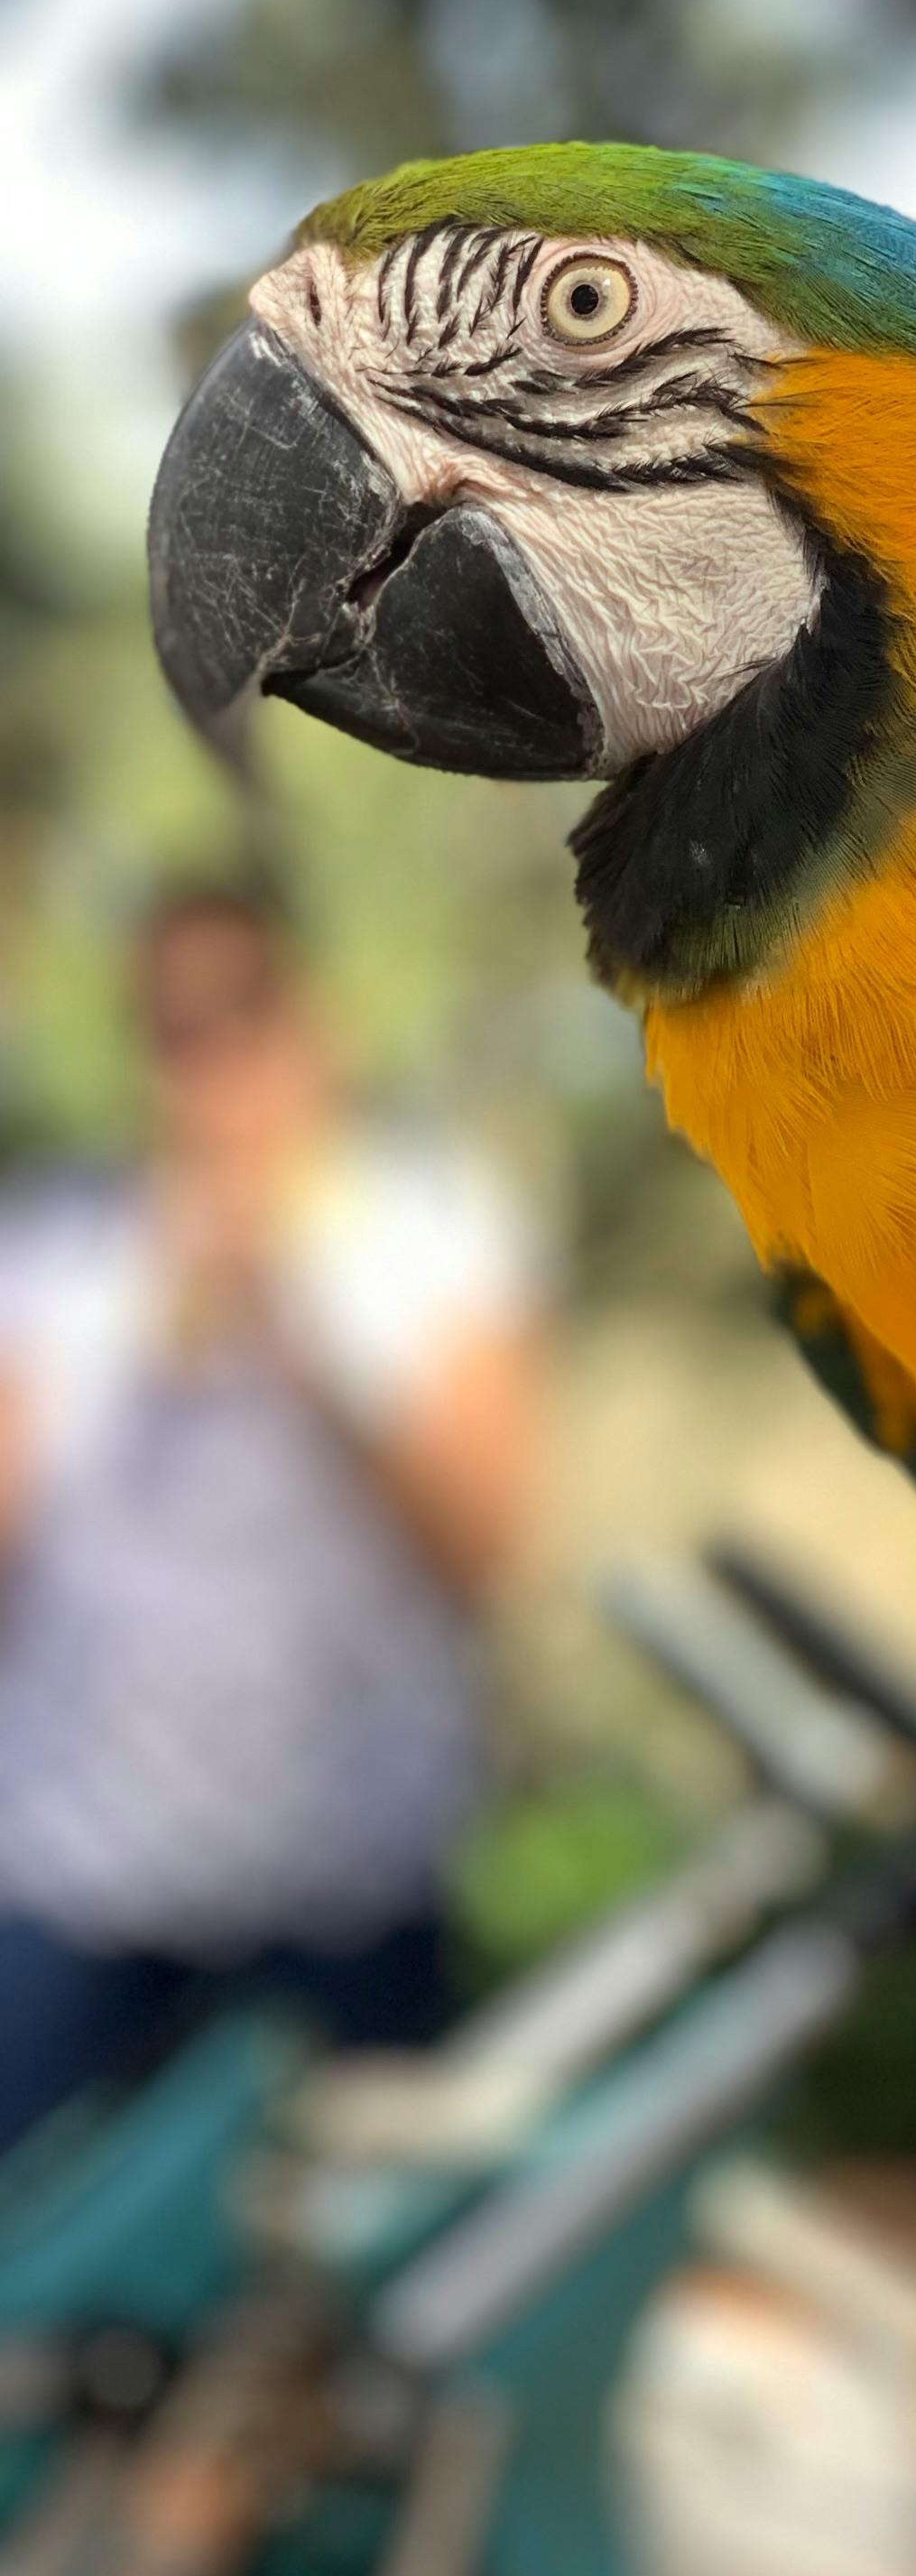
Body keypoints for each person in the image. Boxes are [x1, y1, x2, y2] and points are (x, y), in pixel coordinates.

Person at [0, 879, 544, 2149]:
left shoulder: (439, 1235)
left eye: (240, 1018)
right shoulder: (54, 1248)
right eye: (171, 1028)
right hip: (79, 1883)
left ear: (312, 1024)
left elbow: (483, 1551)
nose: (210, 1063)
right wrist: (128, 1343)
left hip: (348, 1889)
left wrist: (307, 1339)